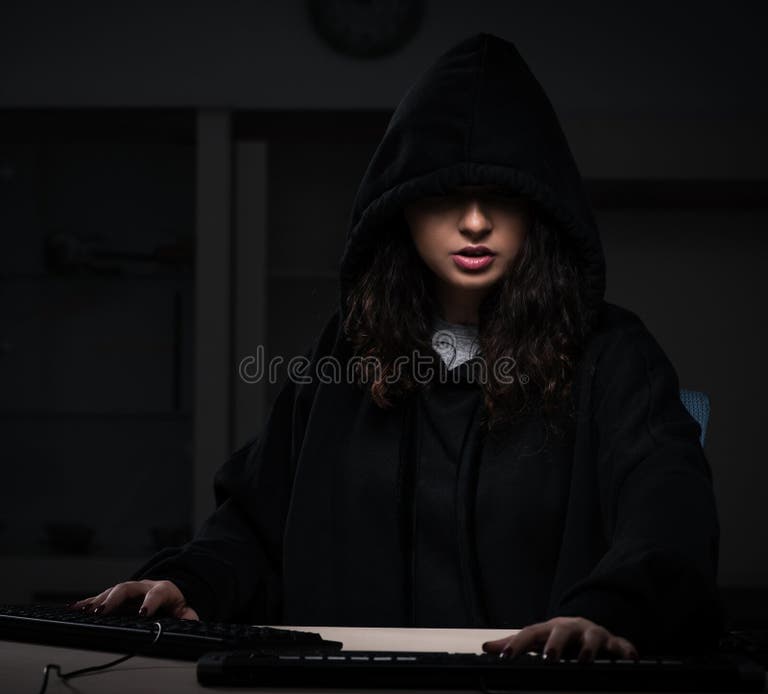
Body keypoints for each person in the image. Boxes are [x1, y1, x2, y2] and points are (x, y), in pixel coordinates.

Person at [70, 32, 725, 662]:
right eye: (444, 195)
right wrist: (189, 582)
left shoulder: (613, 355)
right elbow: (254, 524)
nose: (474, 220)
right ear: (401, 207)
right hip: (354, 693)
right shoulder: (344, 353)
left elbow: (668, 514)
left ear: (540, 207)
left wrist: (610, 612)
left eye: (500, 194)